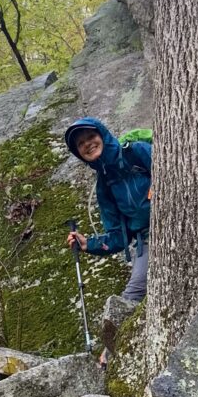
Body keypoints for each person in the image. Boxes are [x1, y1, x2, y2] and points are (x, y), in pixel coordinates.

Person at [63, 117, 152, 304]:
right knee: (132, 296)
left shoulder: (135, 151)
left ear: (102, 134)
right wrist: (89, 244)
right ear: (78, 152)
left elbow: (173, 168)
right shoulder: (104, 186)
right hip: (147, 239)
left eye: (91, 136)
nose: (88, 144)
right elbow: (119, 236)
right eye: (80, 143)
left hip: (176, 223)